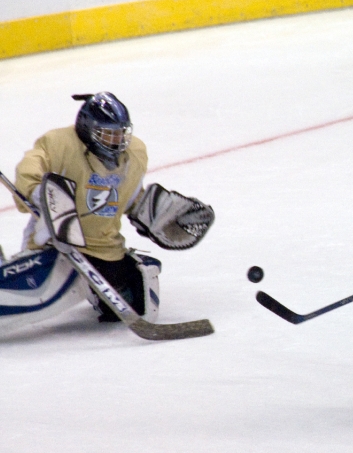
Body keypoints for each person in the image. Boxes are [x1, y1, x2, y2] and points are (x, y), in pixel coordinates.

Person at [0, 92, 214, 328]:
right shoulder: (59, 143)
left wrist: (157, 212)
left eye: (121, 133)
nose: (117, 141)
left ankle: (90, 288)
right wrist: (38, 192)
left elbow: (129, 197)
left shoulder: (134, 153)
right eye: (108, 134)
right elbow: (29, 169)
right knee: (35, 300)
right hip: (59, 246)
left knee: (139, 304)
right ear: (87, 129)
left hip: (104, 250)